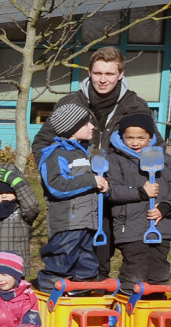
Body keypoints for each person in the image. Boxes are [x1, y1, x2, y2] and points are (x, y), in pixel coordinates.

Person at [31, 47, 159, 276]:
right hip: (79, 191)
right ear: (89, 72)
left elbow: (154, 146)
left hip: (119, 188)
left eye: (109, 74)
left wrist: (140, 184)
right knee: (79, 250)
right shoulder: (70, 103)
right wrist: (55, 176)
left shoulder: (134, 105)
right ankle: (82, 295)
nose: (103, 79)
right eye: (98, 73)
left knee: (124, 248)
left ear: (120, 74)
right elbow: (42, 142)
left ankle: (108, 295)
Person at [106, 113, 171, 292]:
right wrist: (140, 192)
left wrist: (166, 206)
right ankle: (130, 309)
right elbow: (112, 191)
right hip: (130, 226)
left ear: (150, 137)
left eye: (141, 138)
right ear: (121, 137)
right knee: (134, 270)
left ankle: (156, 307)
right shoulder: (115, 159)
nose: (135, 143)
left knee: (159, 269)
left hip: (160, 226)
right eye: (129, 138)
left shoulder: (163, 159)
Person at [36, 104, 107, 292]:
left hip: (86, 221)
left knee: (87, 264)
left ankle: (80, 296)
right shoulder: (55, 154)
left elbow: (85, 182)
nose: (92, 126)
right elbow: (57, 186)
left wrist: (101, 183)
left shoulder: (83, 152)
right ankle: (49, 296)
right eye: (86, 123)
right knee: (61, 260)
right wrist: (91, 180)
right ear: (71, 128)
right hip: (68, 222)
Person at [0, 164, 41, 275]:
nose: (3, 196)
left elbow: (32, 206)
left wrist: (19, 185)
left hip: (15, 267)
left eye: (8, 192)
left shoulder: (22, 212)